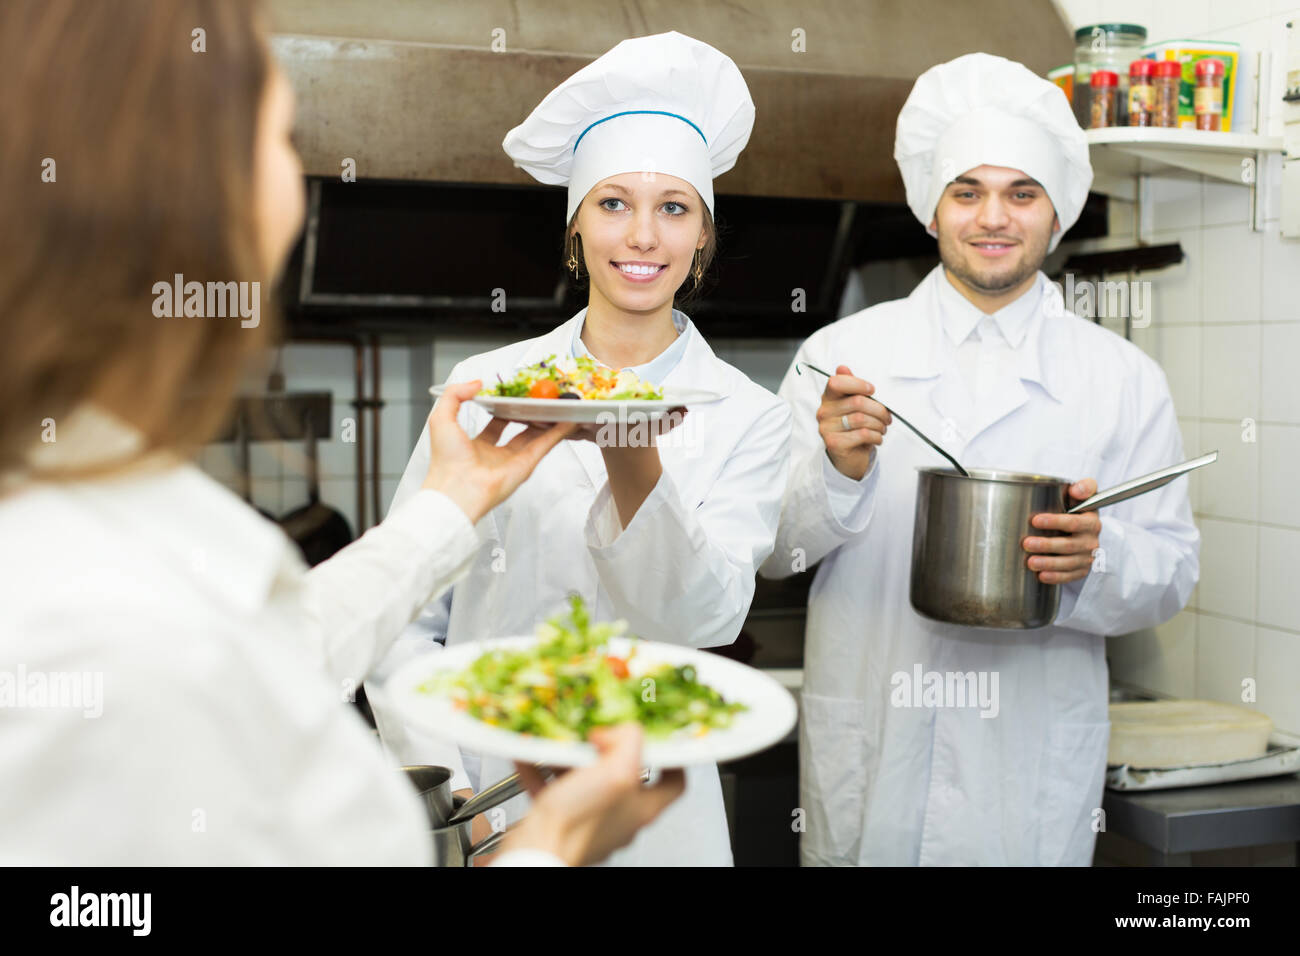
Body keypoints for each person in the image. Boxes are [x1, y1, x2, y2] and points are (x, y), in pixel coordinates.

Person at [0, 0, 682, 866]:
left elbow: (261, 659)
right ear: (186, 193)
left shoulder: (93, 511)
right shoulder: (108, 627)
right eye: (281, 139)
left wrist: (449, 506)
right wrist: (548, 846)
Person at [761, 53, 1199, 866]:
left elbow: (1172, 573)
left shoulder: (1122, 378)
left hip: (1026, 777)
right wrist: (837, 472)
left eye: (1021, 193)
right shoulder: (841, 356)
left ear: (1057, 214)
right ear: (931, 210)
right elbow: (774, 548)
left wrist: (1097, 561)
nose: (993, 217)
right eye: (967, 191)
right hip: (875, 747)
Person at [372, 31, 792, 867]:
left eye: (674, 207)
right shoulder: (488, 387)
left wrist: (631, 455)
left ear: (704, 236)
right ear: (573, 227)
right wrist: (457, 802)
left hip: (660, 816)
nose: (642, 236)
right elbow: (405, 614)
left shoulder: (749, 414)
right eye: (612, 203)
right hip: (494, 799)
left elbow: (703, 620)